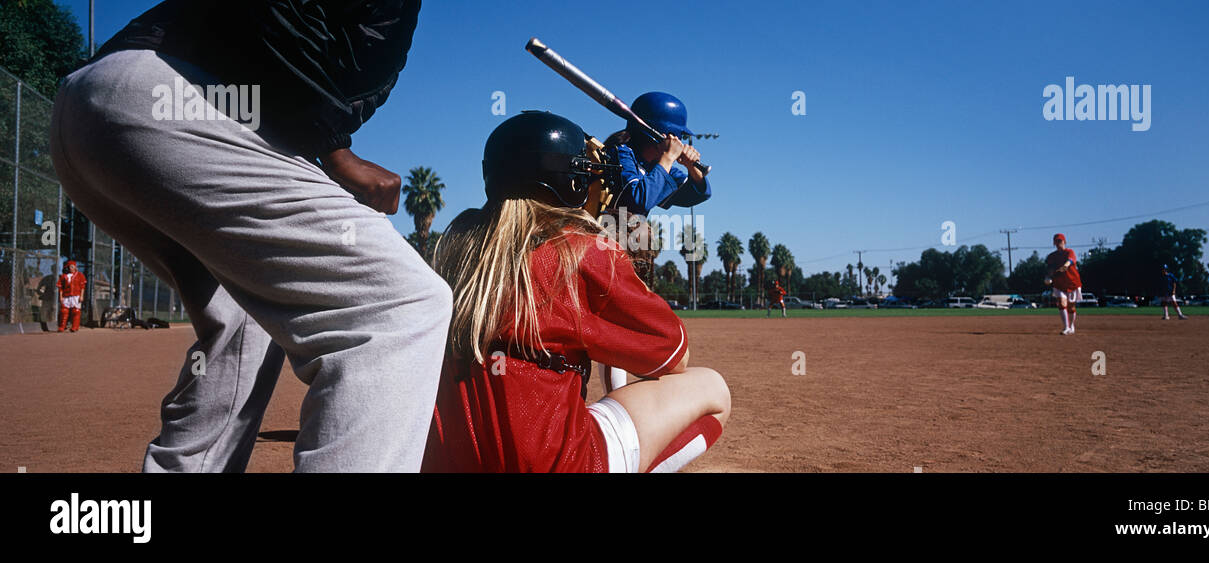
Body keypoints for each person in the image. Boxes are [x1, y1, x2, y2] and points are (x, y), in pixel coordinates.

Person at [50, 0, 451, 472]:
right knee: (398, 306)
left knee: (244, 316)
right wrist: (334, 150)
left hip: (104, 112)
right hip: (167, 96)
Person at [423, 111, 730, 473]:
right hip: (555, 462)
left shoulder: (453, 248)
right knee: (713, 389)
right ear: (567, 182)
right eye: (586, 173)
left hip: (450, 462)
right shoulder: (577, 250)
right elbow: (673, 355)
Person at [600, 92, 712, 287]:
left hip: (625, 257)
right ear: (660, 134)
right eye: (678, 136)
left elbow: (698, 194)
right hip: (600, 248)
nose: (680, 142)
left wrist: (691, 166)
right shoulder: (620, 153)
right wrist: (667, 158)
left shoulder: (656, 166)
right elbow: (638, 200)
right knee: (641, 230)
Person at [1043, 233, 1082, 335]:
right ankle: (1066, 327)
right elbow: (1050, 269)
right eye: (1056, 241)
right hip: (1059, 284)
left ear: (1064, 242)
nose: (1058, 243)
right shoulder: (1052, 256)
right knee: (1061, 303)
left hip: (1072, 282)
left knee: (1071, 307)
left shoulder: (1070, 252)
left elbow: (1070, 260)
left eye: (1060, 241)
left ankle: (1072, 325)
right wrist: (1048, 277)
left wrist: (1066, 265)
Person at [56, 260, 88, 332]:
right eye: (70, 266)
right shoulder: (63, 276)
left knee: (76, 311)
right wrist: (61, 296)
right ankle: (62, 326)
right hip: (66, 295)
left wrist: (81, 296)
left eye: (73, 266)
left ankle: (75, 327)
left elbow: (82, 287)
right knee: (64, 311)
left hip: (76, 295)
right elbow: (60, 287)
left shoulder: (80, 275)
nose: (71, 268)